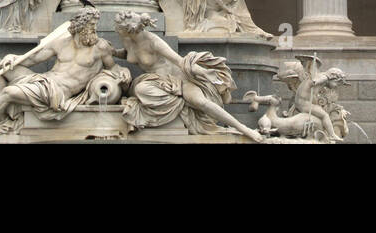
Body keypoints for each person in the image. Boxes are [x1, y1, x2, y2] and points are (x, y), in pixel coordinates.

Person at [0, 7, 119, 133]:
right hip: (43, 79)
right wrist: (14, 57)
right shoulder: (61, 43)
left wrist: (120, 78)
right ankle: (0, 114)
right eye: (90, 26)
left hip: (57, 92)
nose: (94, 30)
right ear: (79, 26)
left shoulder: (100, 47)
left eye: (95, 26)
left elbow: (113, 68)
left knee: (9, 92)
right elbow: (34, 59)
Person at [113, 11, 264, 141]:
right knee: (140, 89)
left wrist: (205, 73)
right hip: (154, 80)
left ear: (130, 30)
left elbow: (180, 61)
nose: (116, 31)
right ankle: (170, 108)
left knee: (201, 102)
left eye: (118, 29)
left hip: (178, 79)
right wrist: (113, 52)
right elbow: (130, 55)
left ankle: (244, 129)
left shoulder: (154, 42)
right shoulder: (128, 40)